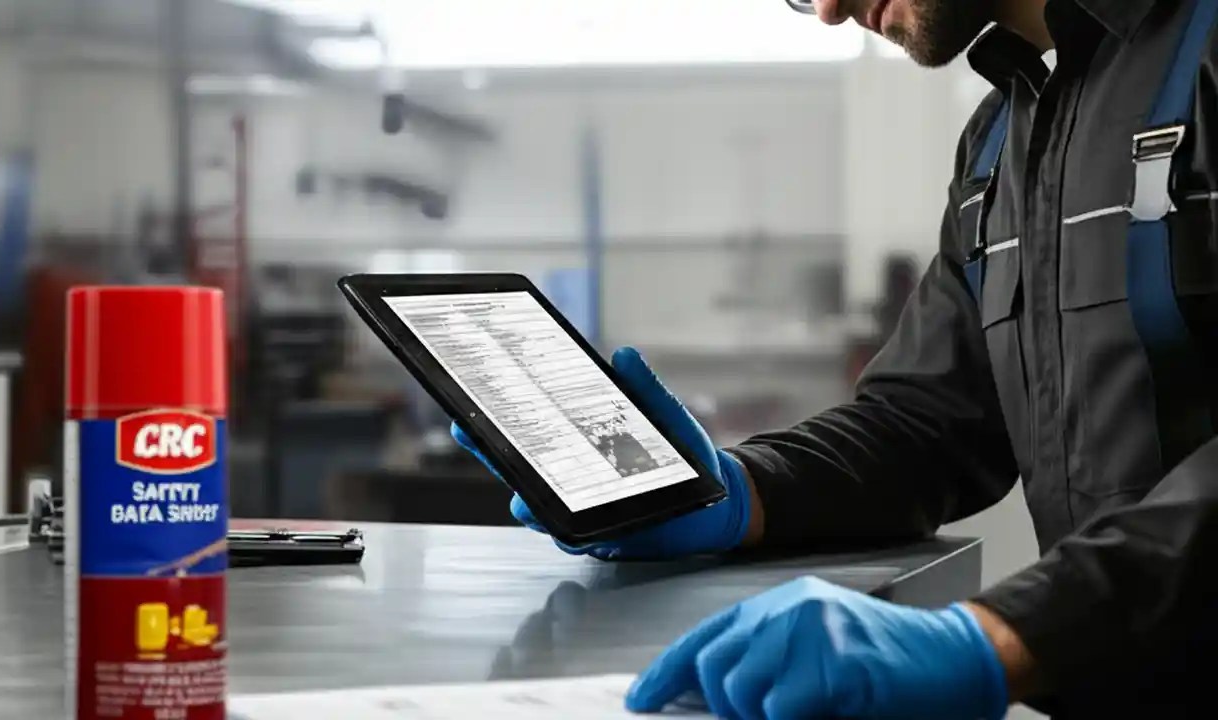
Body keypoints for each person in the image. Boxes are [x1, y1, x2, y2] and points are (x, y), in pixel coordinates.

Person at [453, 0, 1218, 717]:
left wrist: (1000, 634)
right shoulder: (1006, 135)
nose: (827, 9)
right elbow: (928, 421)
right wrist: (735, 493)